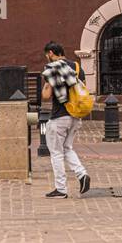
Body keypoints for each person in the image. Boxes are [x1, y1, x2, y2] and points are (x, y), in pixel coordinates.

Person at [41, 41, 90, 199]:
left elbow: (46, 96)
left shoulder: (53, 68)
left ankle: (61, 189)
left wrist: (47, 85)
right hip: (75, 115)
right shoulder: (76, 67)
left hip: (59, 116)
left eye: (47, 56)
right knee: (67, 148)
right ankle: (82, 174)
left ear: (50, 53)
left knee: (56, 153)